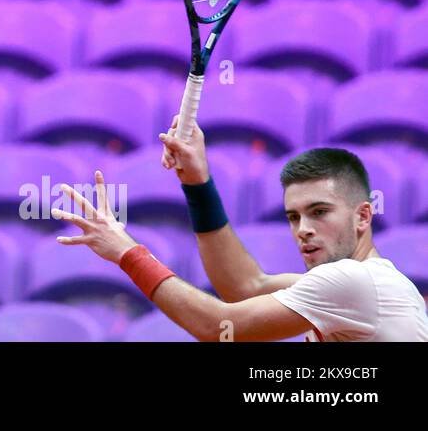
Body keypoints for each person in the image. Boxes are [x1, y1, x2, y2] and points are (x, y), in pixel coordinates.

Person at [52, 116, 428, 341]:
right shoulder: (352, 286)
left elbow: (218, 328)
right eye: (294, 217)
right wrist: (197, 182)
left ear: (363, 216)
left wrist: (127, 253)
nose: (303, 229)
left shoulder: (355, 282)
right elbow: (243, 287)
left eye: (319, 212)